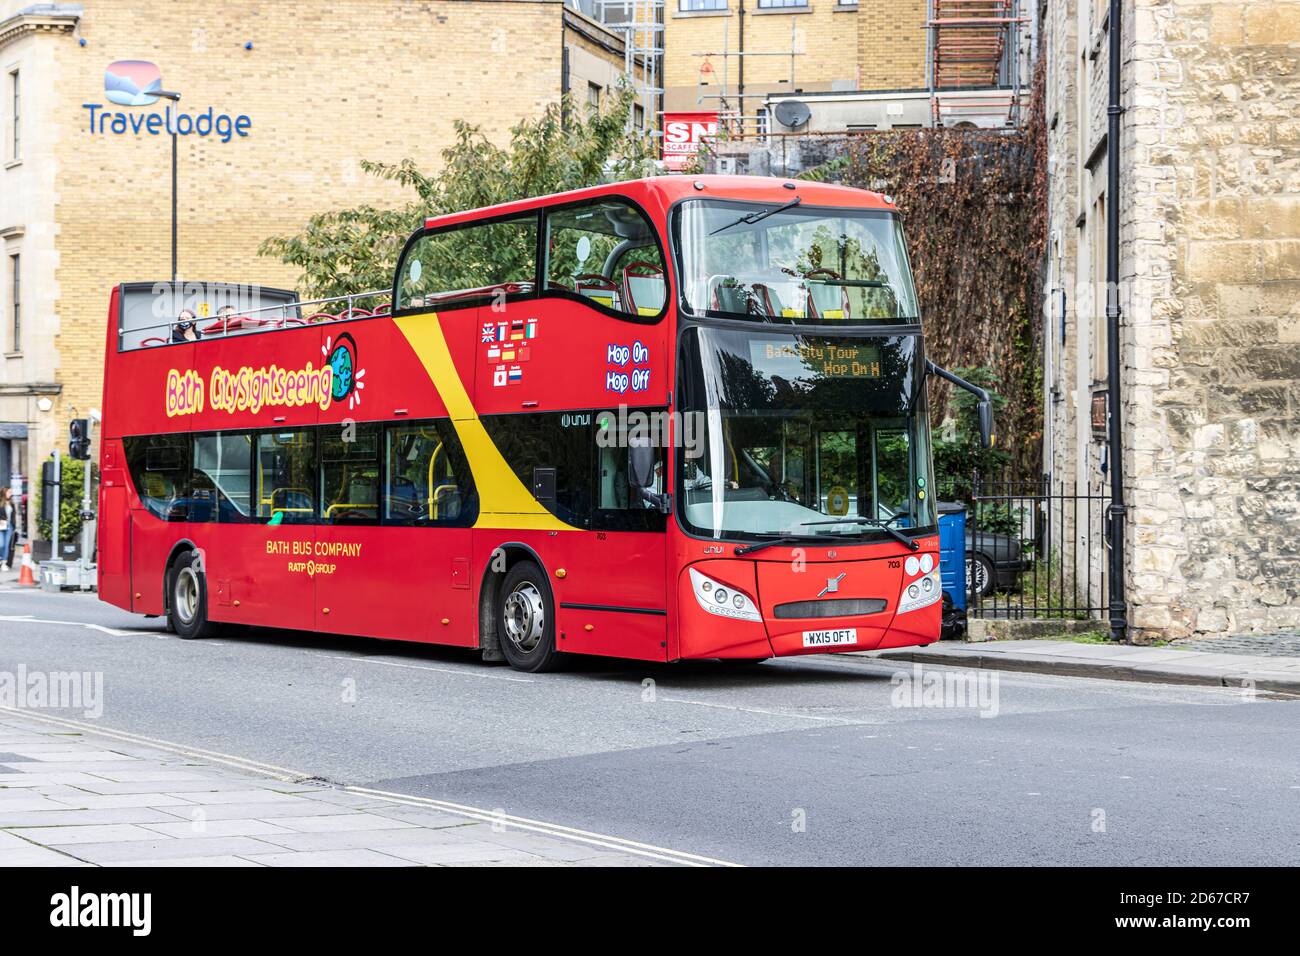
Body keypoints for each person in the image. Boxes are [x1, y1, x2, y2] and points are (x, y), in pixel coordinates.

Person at [0, 487, 14, 572]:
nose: (11, 494)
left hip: (9, 527)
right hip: (1, 526)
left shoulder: (11, 503)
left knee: (6, 545)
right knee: (1, 544)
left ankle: (4, 563)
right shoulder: (0, 503)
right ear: (5, 492)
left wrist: (14, 525)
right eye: (9, 492)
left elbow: (13, 515)